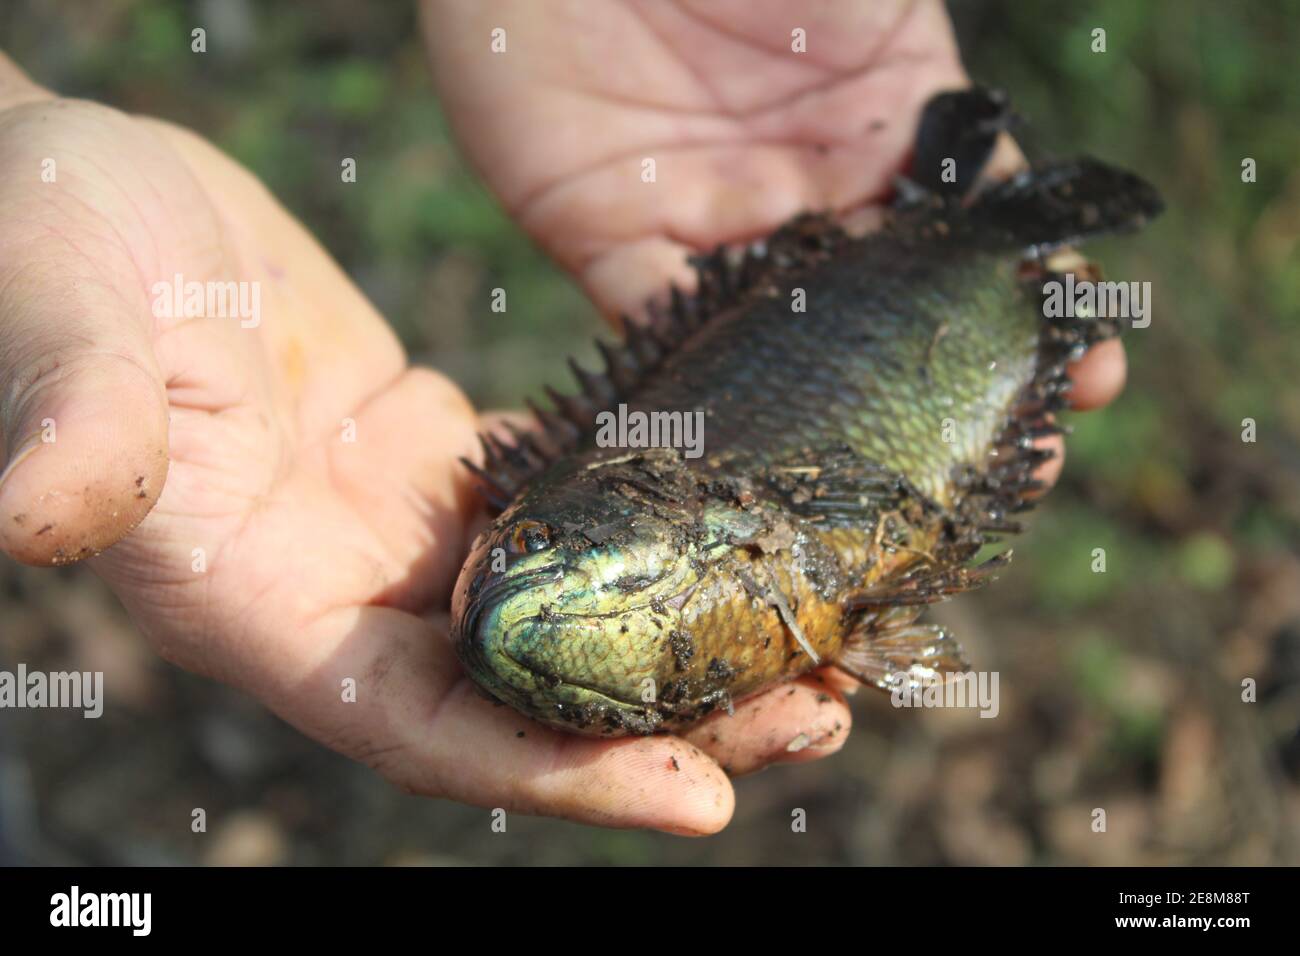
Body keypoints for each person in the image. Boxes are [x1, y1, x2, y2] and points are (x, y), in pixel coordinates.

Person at [0, 0, 1125, 835]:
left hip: (911, 306)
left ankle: (970, 231)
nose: (502, 570)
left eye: (523, 538)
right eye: (520, 542)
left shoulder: (680, 515)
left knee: (1051, 293)